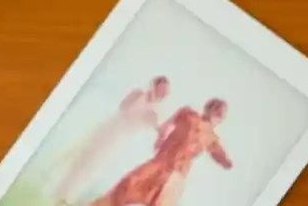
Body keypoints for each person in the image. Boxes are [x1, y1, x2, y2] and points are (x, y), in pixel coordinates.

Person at [44, 76, 170, 205]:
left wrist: (157, 124)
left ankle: (68, 196)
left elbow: (157, 128)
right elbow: (123, 107)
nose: (160, 92)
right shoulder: (138, 94)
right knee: (83, 155)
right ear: (154, 85)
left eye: (163, 91)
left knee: (94, 165)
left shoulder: (154, 112)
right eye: (160, 88)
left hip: (118, 138)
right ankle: (59, 189)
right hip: (110, 127)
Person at [90, 98, 233, 206]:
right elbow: (168, 124)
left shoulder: (211, 138)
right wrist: (161, 135)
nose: (215, 115)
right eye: (215, 110)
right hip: (161, 163)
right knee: (128, 186)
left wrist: (227, 162)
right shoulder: (189, 115)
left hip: (176, 175)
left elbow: (220, 156)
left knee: (160, 202)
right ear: (208, 108)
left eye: (219, 114)